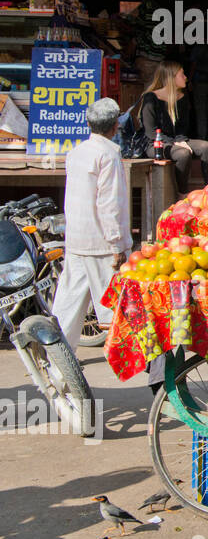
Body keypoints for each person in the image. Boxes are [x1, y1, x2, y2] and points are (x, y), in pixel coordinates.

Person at [51, 99, 132, 352]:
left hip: (77, 240)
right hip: (101, 246)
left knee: (68, 309)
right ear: (115, 126)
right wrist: (117, 244)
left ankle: (55, 361)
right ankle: (135, 364)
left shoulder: (76, 153)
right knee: (117, 313)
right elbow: (110, 204)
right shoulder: (108, 155)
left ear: (88, 124)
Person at [140, 60, 208, 195]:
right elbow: (150, 131)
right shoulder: (150, 98)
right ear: (171, 78)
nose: (186, 77)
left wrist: (181, 140)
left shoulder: (182, 98)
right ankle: (181, 194)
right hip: (155, 144)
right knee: (183, 154)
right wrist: (175, 143)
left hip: (176, 140)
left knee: (206, 147)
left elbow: (183, 127)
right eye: (182, 74)